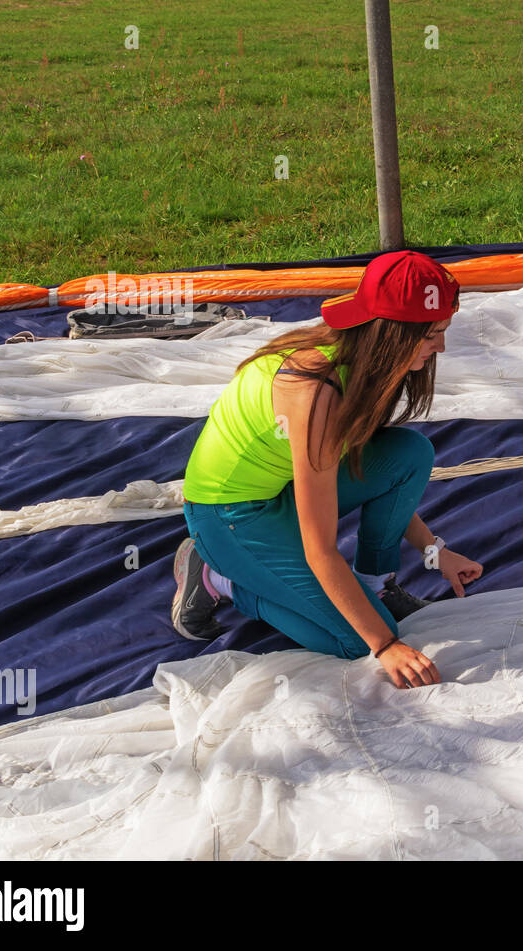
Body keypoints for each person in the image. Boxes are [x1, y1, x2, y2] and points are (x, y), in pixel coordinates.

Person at [171, 250, 482, 690]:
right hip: (230, 515)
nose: (442, 348)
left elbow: (365, 468)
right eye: (432, 335)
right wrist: (383, 645)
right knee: (354, 642)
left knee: (409, 454)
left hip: (279, 490)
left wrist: (435, 552)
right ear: (394, 334)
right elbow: (321, 550)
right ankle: (218, 575)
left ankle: (375, 584)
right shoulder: (315, 394)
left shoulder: (359, 359)